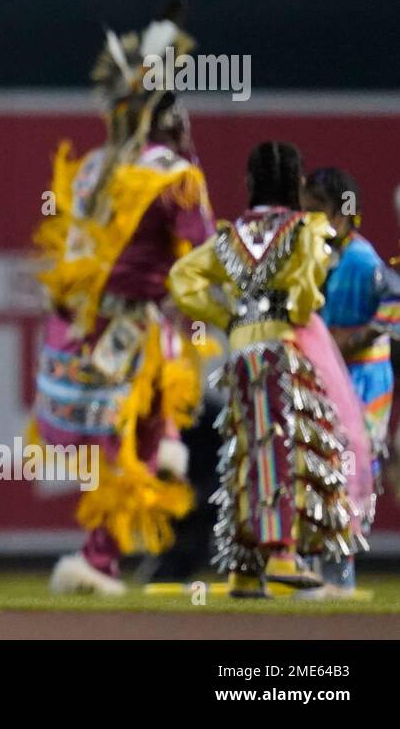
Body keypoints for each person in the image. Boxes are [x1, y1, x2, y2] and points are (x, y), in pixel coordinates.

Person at [32, 4, 215, 595]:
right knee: (128, 450)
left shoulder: (91, 171)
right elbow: (203, 254)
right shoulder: (174, 176)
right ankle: (103, 553)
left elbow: (70, 260)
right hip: (138, 335)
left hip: (93, 328)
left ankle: (102, 555)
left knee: (125, 447)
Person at [168, 142, 361, 598]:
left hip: (240, 350)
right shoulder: (305, 228)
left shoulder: (230, 236)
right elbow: (308, 285)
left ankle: (243, 565)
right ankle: (280, 551)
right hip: (281, 345)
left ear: (250, 183)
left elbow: (182, 278)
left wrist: (226, 316)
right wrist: (297, 307)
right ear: (295, 183)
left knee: (244, 448)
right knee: (281, 446)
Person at [301, 167, 393, 594]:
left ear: (340, 212)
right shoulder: (310, 254)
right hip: (320, 378)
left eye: (315, 209)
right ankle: (309, 575)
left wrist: (348, 339)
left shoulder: (361, 259)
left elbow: (392, 314)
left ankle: (340, 579)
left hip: (362, 383)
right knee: (310, 472)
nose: (306, 216)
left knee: (346, 474)